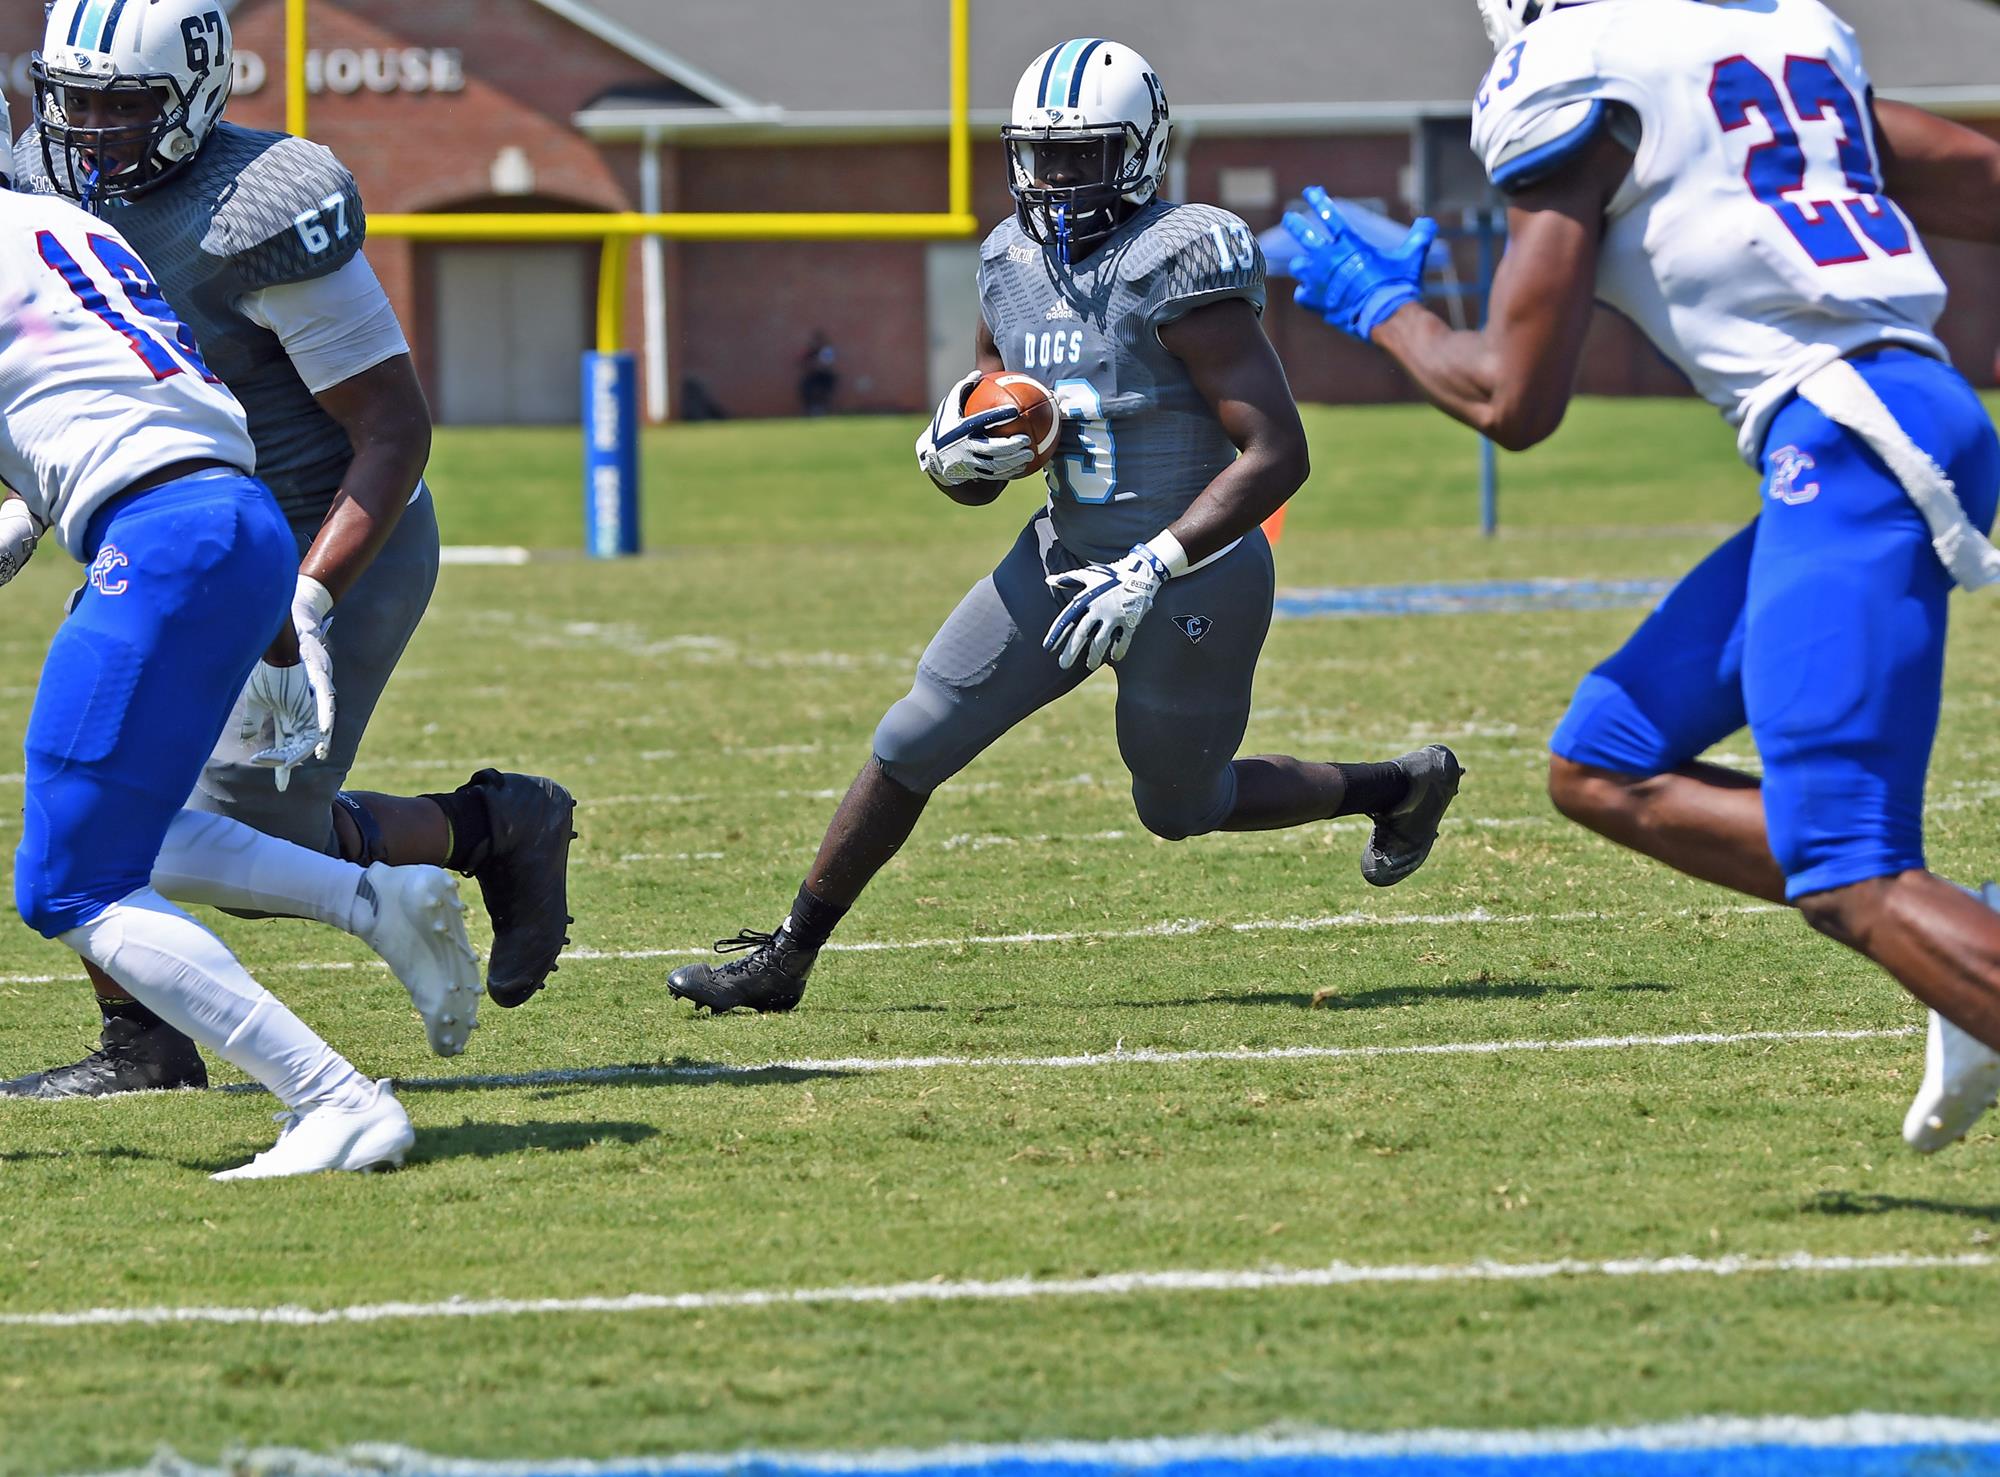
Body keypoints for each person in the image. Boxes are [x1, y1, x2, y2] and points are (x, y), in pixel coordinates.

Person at [1283, 0, 2000, 1150]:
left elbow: (1513, 400)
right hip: (1895, 416)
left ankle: (1923, 923)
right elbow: (1972, 173)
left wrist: (1385, 313)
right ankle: (1955, 929)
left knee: (1849, 874)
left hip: (1846, 439)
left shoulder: (1574, 68)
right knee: (1601, 763)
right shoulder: (1779, 36)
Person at [668, 39, 1463, 1014]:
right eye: (1041, 154)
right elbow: (996, 448)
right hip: (1062, 558)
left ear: (1138, 151)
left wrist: (1152, 563)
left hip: (1190, 576)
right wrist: (952, 456)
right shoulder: (1006, 259)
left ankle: (1395, 786)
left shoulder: (1180, 253)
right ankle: (785, 956)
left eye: (1082, 153)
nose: (1056, 176)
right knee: (911, 734)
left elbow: (1278, 452)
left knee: (1179, 807)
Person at [2, 0, 577, 1100]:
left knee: (250, 844)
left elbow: (394, 428)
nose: (88, 128)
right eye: (70, 99)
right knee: (106, 777)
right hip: (163, 531)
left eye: (122, 105)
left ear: (199, 96)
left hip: (325, 532)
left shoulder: (254, 207)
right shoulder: (38, 182)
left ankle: (492, 826)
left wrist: (309, 597)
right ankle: (142, 1047)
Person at [799, 330, 838, 416]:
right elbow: (803, 362)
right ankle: (811, 409)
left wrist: (815, 364)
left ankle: (823, 409)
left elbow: (825, 365)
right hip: (813, 376)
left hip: (825, 376)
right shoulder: (811, 351)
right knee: (805, 388)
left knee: (824, 392)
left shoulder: (826, 350)